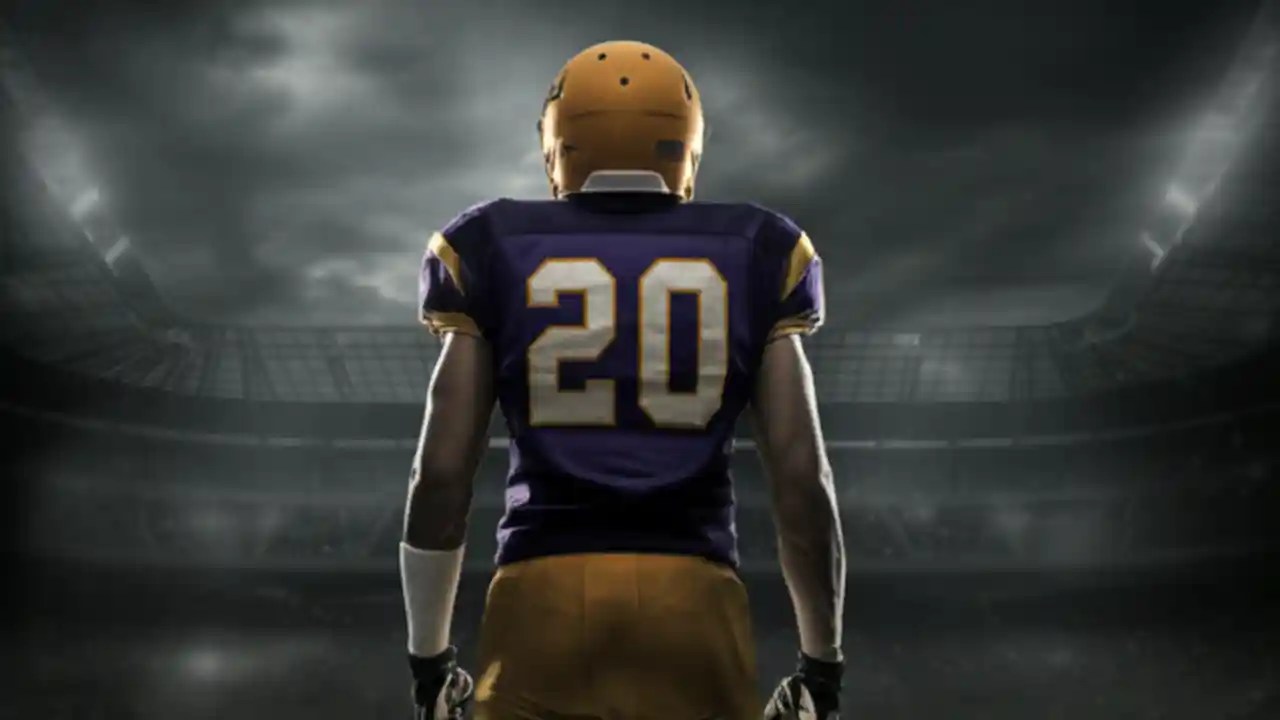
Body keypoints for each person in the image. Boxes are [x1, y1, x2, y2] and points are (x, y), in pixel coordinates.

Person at [400, 39, 846, 720]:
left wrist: (430, 663)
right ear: (685, 145)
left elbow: (439, 476)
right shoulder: (758, 247)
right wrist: (822, 666)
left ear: (558, 143)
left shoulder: (492, 243)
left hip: (538, 598)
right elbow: (801, 479)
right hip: (693, 601)